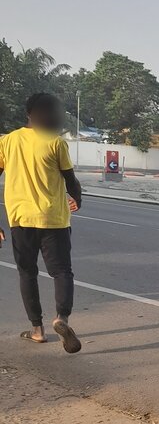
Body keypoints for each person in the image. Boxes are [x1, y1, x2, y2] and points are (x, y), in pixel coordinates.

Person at [0, 92, 82, 352]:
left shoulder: (8, 141)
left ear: (28, 113)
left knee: (27, 273)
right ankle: (62, 318)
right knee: (62, 271)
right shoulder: (56, 143)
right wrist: (77, 199)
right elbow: (70, 180)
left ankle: (37, 330)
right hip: (54, 219)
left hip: (20, 218)